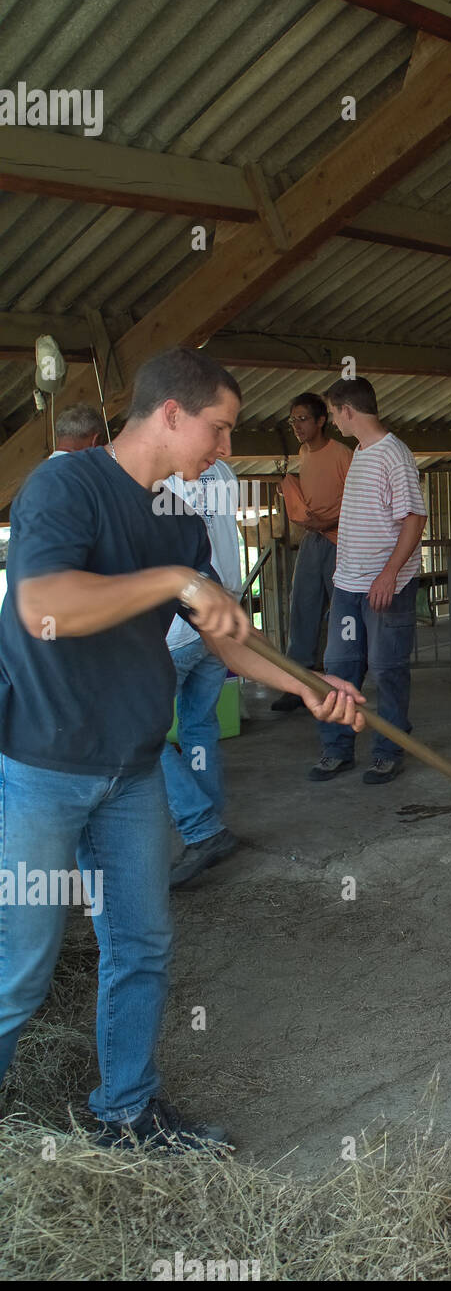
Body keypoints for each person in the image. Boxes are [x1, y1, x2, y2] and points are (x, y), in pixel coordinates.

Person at [0, 347, 364, 1151]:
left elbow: (226, 633)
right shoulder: (65, 485)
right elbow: (42, 606)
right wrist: (174, 583)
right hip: (44, 767)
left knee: (140, 946)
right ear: (170, 413)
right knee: (21, 967)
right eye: (220, 428)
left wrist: (306, 685)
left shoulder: (179, 517)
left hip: (130, 770)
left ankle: (125, 1112)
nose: (226, 449)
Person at [310, 376, 426, 786]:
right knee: (339, 667)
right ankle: (337, 749)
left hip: (384, 587)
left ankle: (389, 751)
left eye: (334, 413)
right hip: (349, 584)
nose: (333, 422)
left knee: (386, 668)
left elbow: (414, 518)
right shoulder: (361, 451)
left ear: (347, 411)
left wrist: (389, 573)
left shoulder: (394, 455)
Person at [160, 457, 243, 889]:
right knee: (198, 726)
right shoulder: (223, 472)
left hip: (182, 626)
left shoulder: (165, 479)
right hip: (224, 609)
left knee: (143, 732)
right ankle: (209, 824)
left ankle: (200, 827)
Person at [270, 393, 352, 712]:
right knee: (302, 606)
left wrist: (327, 520)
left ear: (321, 421)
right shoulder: (304, 453)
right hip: (312, 538)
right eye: (293, 420)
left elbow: (358, 503)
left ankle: (339, 679)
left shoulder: (343, 454)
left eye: (302, 419)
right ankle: (298, 685)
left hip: (339, 540)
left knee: (342, 613)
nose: (297, 426)